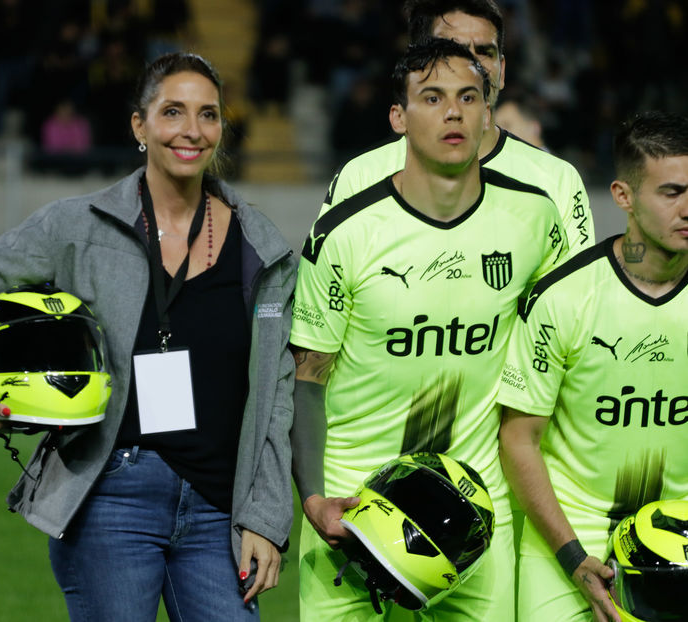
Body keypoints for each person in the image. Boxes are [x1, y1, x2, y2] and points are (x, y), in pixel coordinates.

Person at [0, 52, 297, 621]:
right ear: (139, 126)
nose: (192, 131)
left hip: (219, 508)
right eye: (173, 112)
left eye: (208, 115)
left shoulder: (261, 247)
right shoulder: (77, 225)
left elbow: (275, 398)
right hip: (110, 496)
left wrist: (266, 519)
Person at [290, 37, 567, 622]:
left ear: (488, 110)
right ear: (399, 117)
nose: (453, 112)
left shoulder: (535, 218)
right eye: (432, 97)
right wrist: (314, 498)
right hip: (354, 502)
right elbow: (307, 378)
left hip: (472, 507)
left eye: (469, 96)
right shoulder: (346, 232)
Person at [497, 111, 688, 622]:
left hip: (680, 546)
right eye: (671, 192)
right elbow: (519, 439)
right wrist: (573, 557)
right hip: (567, 545)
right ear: (623, 196)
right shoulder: (564, 297)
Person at [325, 0, 593, 254]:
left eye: (484, 52)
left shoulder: (556, 180)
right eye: (453, 50)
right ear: (416, 64)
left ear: (501, 69)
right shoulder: (360, 177)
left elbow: (577, 297)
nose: (472, 65)